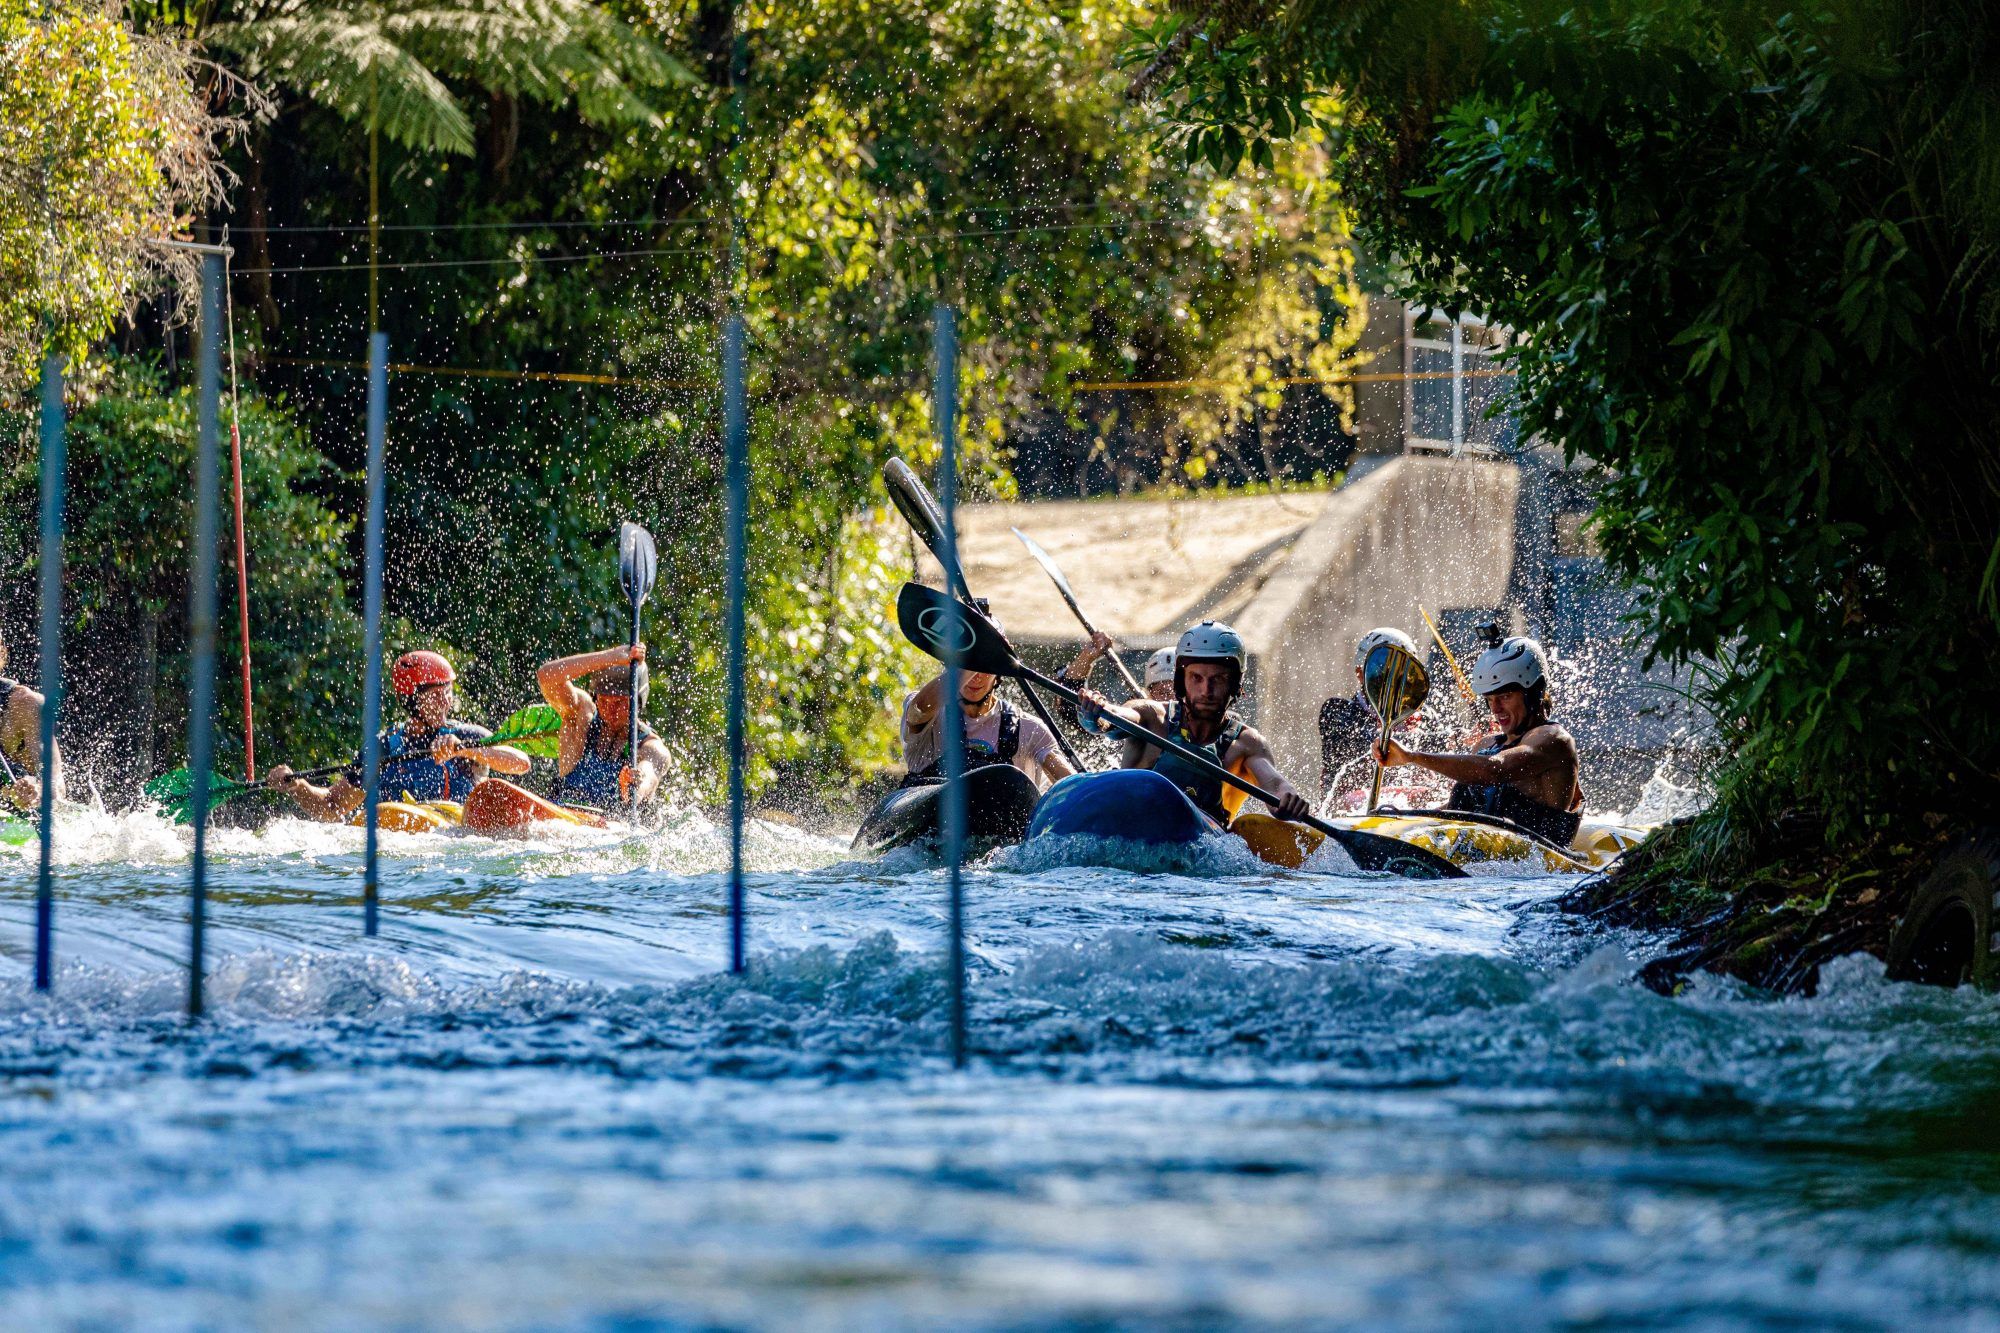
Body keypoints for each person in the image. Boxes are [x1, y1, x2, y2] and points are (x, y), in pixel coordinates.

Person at [1076, 620, 1312, 824]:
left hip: (1203, 850)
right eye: (1196, 678)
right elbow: (1114, 720)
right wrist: (1096, 714)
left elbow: (1274, 783)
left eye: (1218, 679)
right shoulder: (1151, 716)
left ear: (1235, 685)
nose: (1206, 691)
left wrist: (1288, 798)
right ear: (1181, 681)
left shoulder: (1246, 743)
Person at [266, 650, 530, 820]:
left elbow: (521, 763)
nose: (446, 703)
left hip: (456, 838)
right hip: (402, 846)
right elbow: (332, 807)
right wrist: (297, 787)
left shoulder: (466, 735)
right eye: (436, 696)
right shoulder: (384, 747)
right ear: (411, 700)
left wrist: (465, 750)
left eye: (448, 693)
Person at [1373, 634, 1584, 846]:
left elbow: (1494, 771)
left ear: (1533, 693)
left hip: (1532, 867)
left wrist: (1411, 757)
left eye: (1505, 696)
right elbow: (1457, 810)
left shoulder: (1553, 740)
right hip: (1479, 857)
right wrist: (1403, 823)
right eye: (1490, 699)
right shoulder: (1486, 745)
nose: (1495, 708)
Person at [901, 599, 1075, 790]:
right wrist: (979, 652)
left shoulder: (1030, 730)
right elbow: (920, 709)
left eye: (986, 667)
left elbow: (1072, 788)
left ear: (999, 672)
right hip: (934, 816)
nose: (976, 677)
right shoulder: (931, 715)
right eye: (967, 665)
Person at [537, 643, 673, 807]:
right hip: (561, 815)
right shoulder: (581, 715)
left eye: (619, 702)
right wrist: (608, 657)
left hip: (613, 826)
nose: (610, 709)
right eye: (603, 700)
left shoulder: (652, 748)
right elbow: (546, 676)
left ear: (637, 701)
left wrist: (632, 787)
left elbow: (648, 777)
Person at [1319, 627, 1415, 793]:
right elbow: (1359, 748)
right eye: (1381, 670)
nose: (1392, 680)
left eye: (1402, 672)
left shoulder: (1425, 716)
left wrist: (1458, 739)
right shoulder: (1337, 712)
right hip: (1348, 811)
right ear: (1360, 673)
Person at [0, 632, 62, 813]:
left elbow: (56, 784)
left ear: (2, 654)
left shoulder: (26, 705)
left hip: (27, 818)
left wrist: (38, 790)